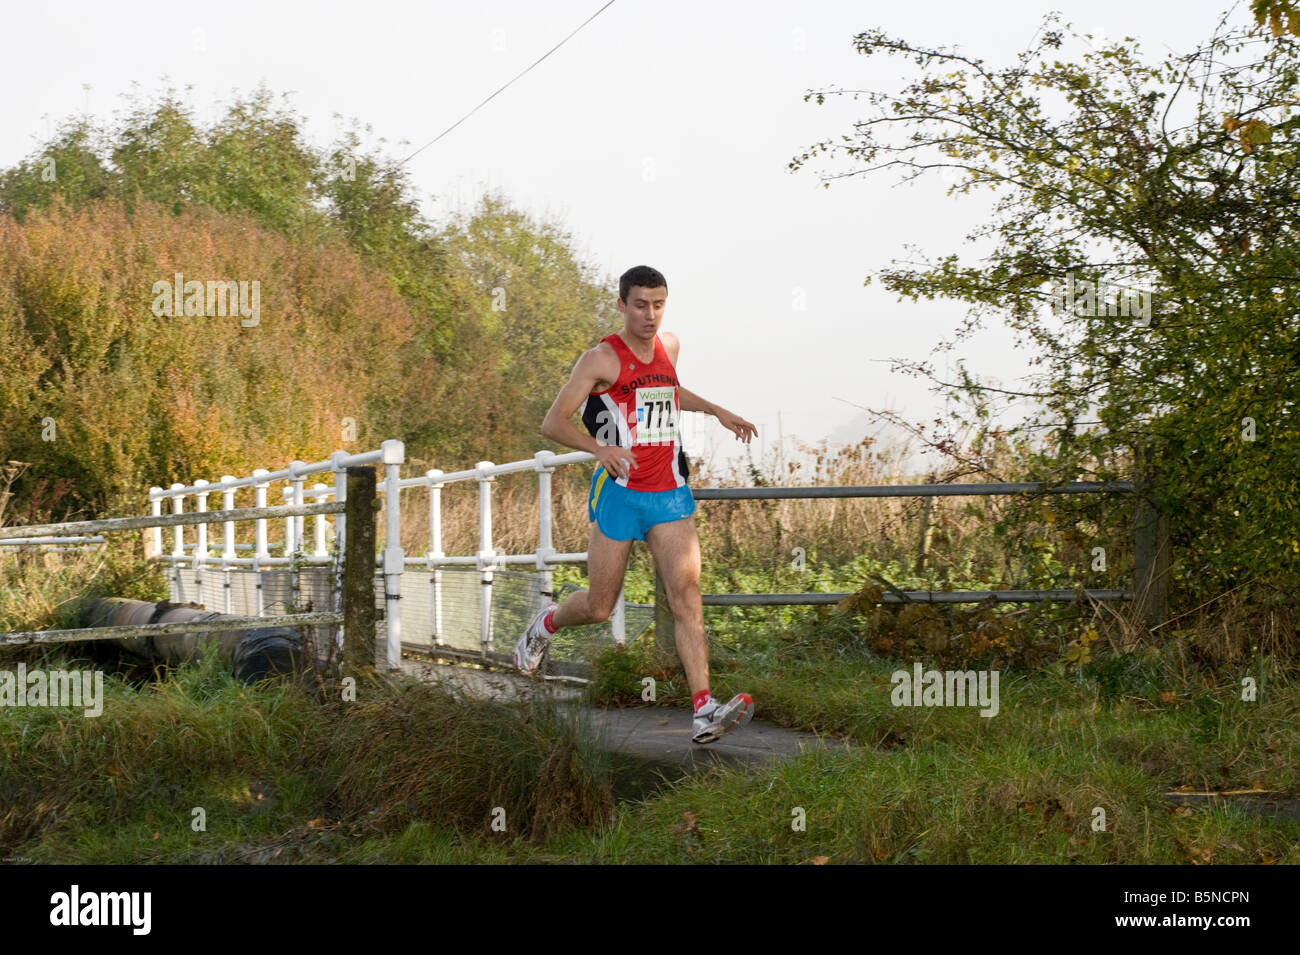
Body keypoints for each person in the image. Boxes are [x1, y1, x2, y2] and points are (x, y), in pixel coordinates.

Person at [513, 265, 759, 744]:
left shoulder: (670, 347)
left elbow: (668, 389)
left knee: (686, 597)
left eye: (659, 304)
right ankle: (546, 623)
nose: (650, 314)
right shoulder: (600, 359)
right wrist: (599, 449)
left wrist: (715, 409)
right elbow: (553, 423)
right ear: (623, 304)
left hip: (669, 495)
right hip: (621, 496)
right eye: (641, 304)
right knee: (601, 607)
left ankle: (704, 709)